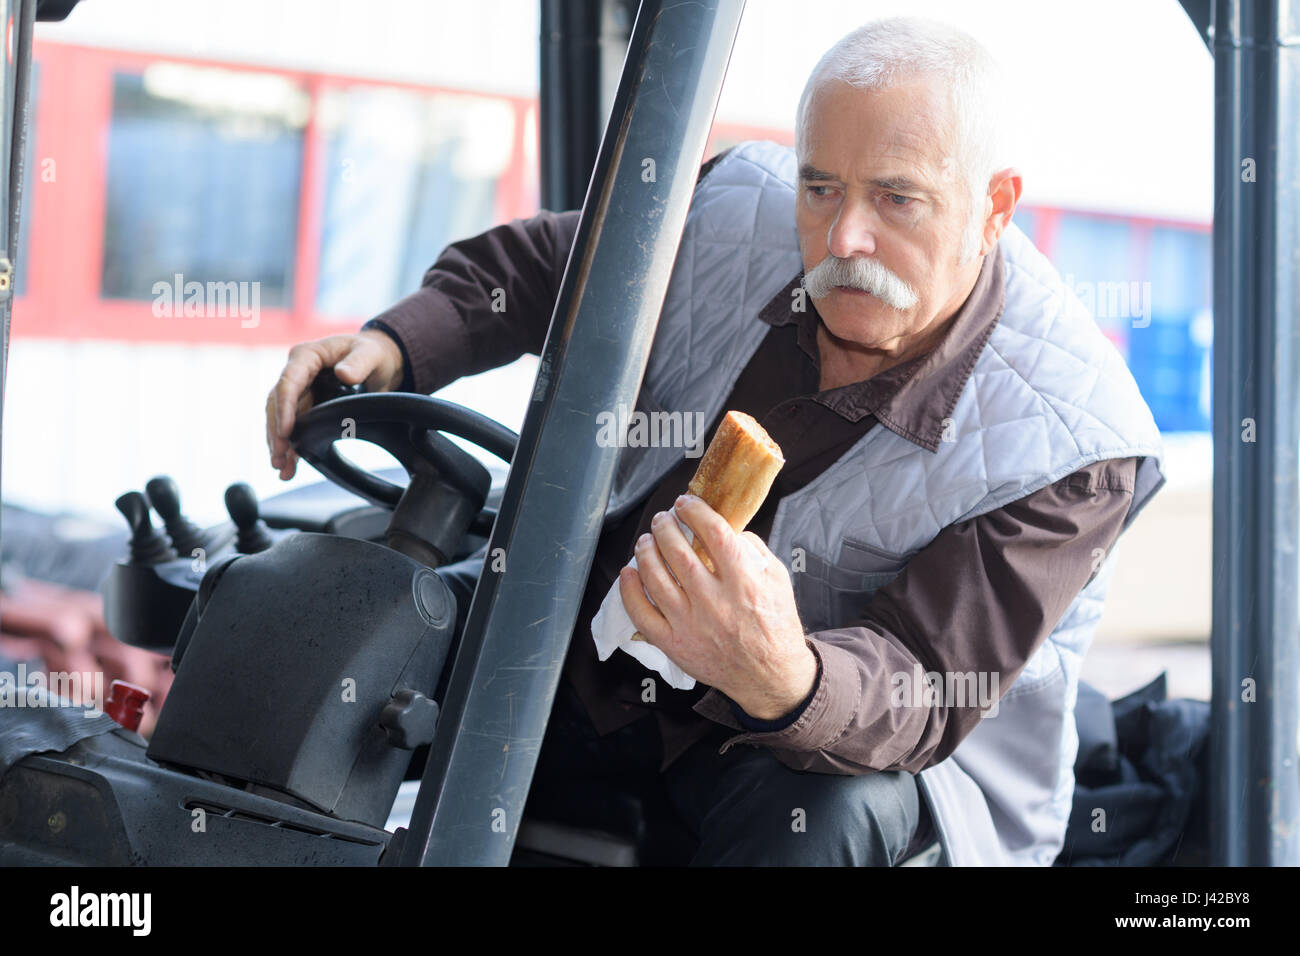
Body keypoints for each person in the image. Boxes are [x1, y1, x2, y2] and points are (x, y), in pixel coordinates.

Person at [265, 16, 1165, 866]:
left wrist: (791, 677)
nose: (846, 236)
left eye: (897, 198)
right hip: (592, 655)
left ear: (994, 205)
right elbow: (548, 272)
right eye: (823, 187)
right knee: (351, 612)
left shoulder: (1071, 444)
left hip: (828, 743)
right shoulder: (735, 210)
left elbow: (923, 684)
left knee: (822, 815)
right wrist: (397, 342)